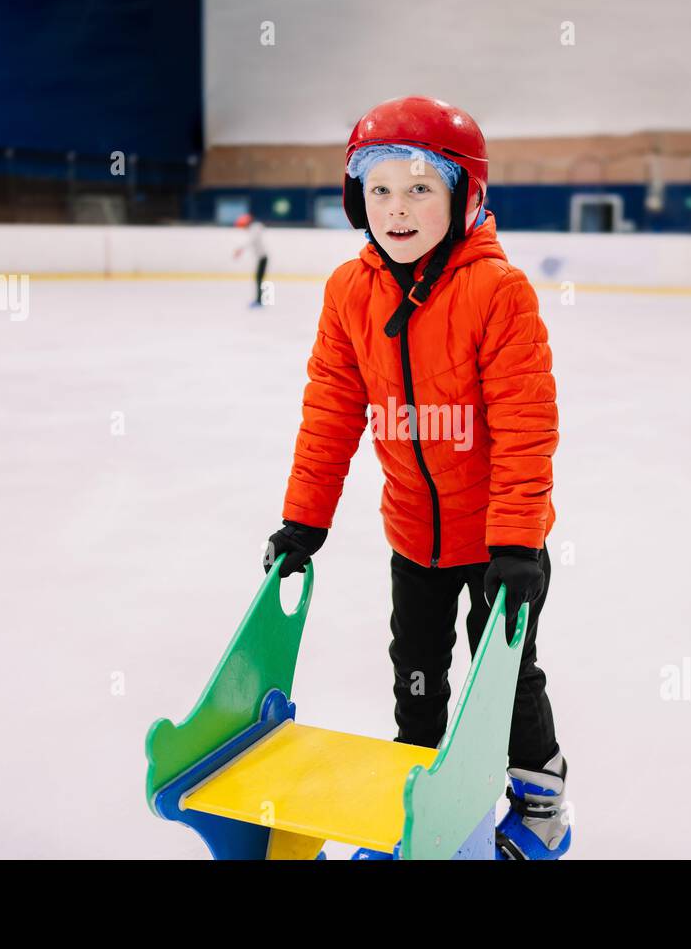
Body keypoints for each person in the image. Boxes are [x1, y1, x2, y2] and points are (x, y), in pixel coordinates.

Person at [263, 96, 569, 860]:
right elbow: (330, 411)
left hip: (500, 544)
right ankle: (421, 801)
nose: (397, 210)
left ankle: (541, 810)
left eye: (421, 189)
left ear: (464, 197)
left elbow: (527, 429)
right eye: (380, 191)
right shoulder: (350, 293)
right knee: (418, 674)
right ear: (355, 200)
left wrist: (519, 545)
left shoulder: (497, 292)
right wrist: (305, 522)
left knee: (504, 682)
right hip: (413, 537)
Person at [232, 213, 267, 307]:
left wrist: (240, 249)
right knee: (259, 279)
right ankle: (260, 300)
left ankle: (260, 301)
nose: (243, 229)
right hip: (261, 257)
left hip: (262, 257)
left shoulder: (254, 228)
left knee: (259, 279)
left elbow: (251, 240)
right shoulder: (254, 228)